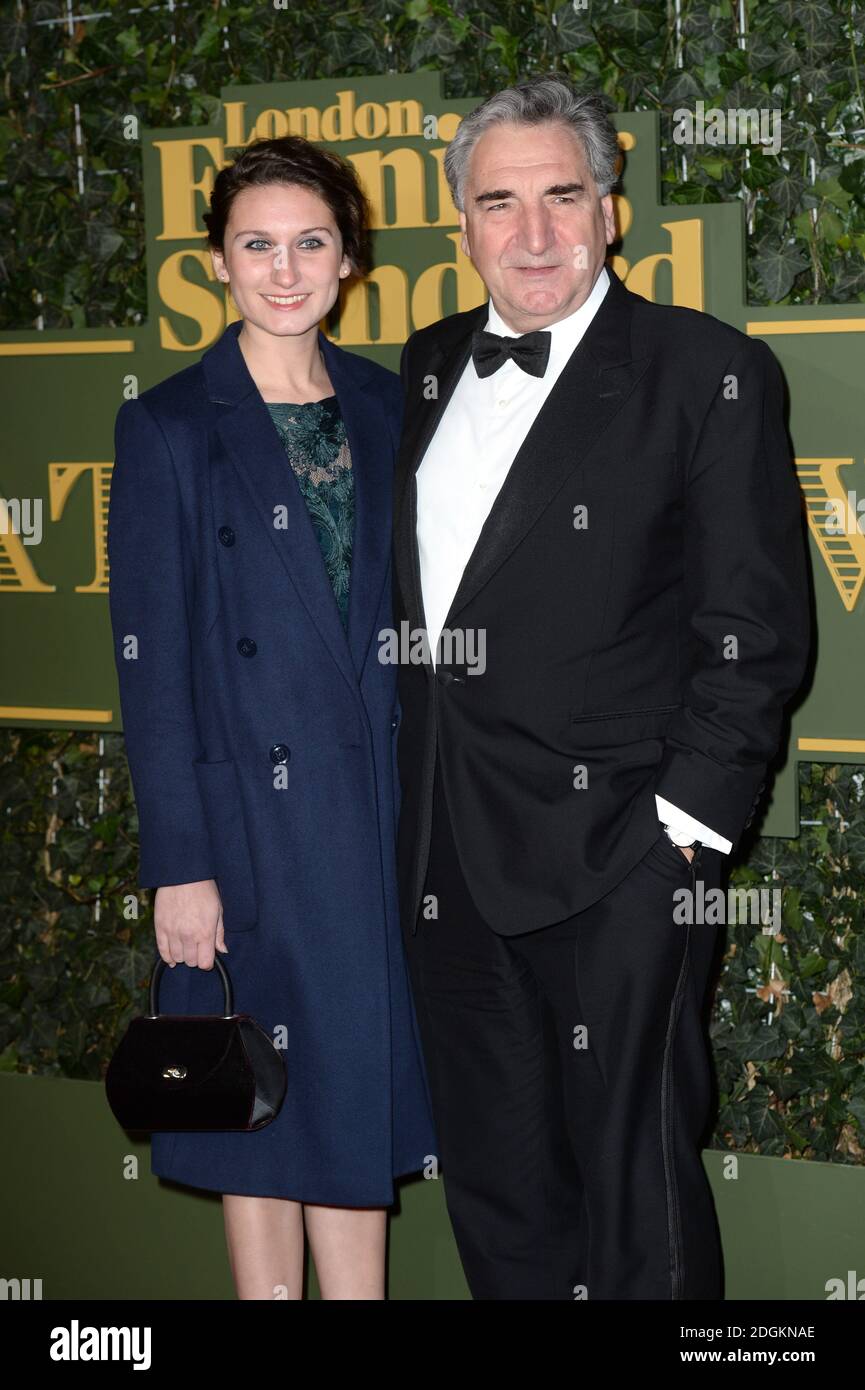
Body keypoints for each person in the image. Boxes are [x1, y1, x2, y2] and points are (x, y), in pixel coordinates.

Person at [392, 75, 810, 1299]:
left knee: (638, 1197)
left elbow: (755, 629)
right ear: (460, 223)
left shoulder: (705, 370)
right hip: (445, 858)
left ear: (610, 209)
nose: (532, 235)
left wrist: (681, 834)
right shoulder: (420, 370)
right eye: (499, 203)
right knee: (500, 1189)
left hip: (621, 852)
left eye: (561, 197)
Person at [107, 135, 437, 1300]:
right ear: (216, 261)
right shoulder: (169, 427)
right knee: (261, 1109)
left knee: (351, 1109)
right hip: (249, 836)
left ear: (348, 258)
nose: (284, 269)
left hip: (380, 824)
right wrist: (180, 866)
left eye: (309, 243)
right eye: (257, 245)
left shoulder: (394, 408)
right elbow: (151, 668)